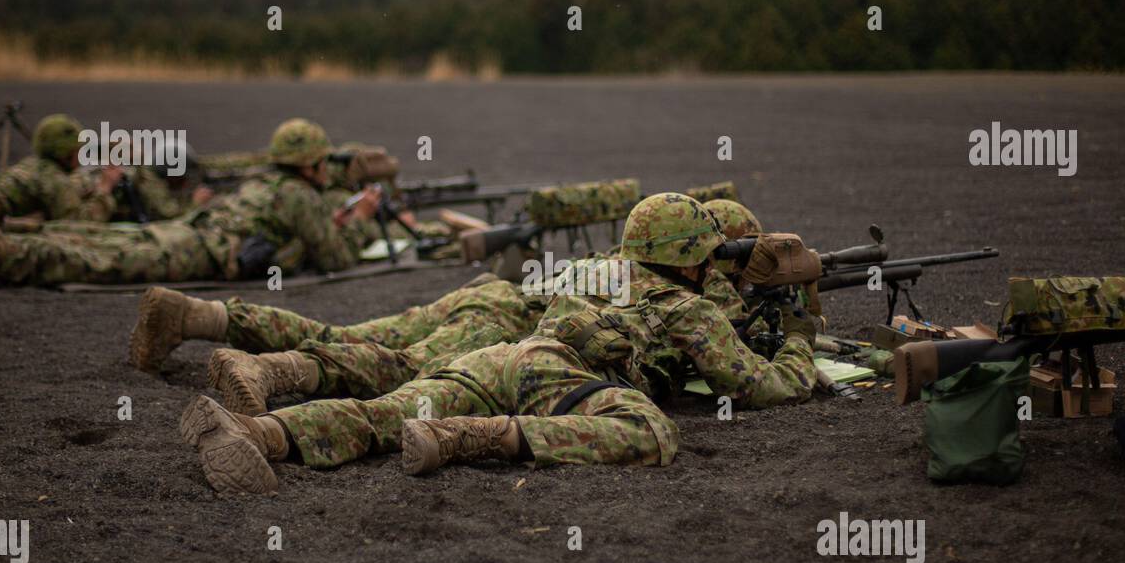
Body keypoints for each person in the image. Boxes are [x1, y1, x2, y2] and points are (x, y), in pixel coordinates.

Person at [177, 192, 816, 495]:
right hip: (560, 378)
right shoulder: (689, 306)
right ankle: (484, 437)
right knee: (653, 432)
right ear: (693, 259)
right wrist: (798, 338)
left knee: (386, 410)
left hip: (504, 353)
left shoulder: (598, 269)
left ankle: (253, 432)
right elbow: (761, 387)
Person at [133, 200, 766, 415]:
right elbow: (730, 359)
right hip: (503, 324)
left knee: (347, 331)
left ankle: (198, 316)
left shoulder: (635, 252)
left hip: (496, 296)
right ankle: (265, 373)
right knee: (395, 366)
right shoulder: (690, 290)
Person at [0, 119, 374, 289]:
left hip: (191, 231)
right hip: (197, 249)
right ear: (313, 163)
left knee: (103, 244)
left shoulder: (268, 181)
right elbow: (335, 259)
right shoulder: (300, 194)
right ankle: (0, 250)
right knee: (99, 263)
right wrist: (359, 221)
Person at [0, 114, 121, 275]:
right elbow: (78, 223)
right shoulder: (52, 178)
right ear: (66, 153)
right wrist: (105, 189)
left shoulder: (36, 165)